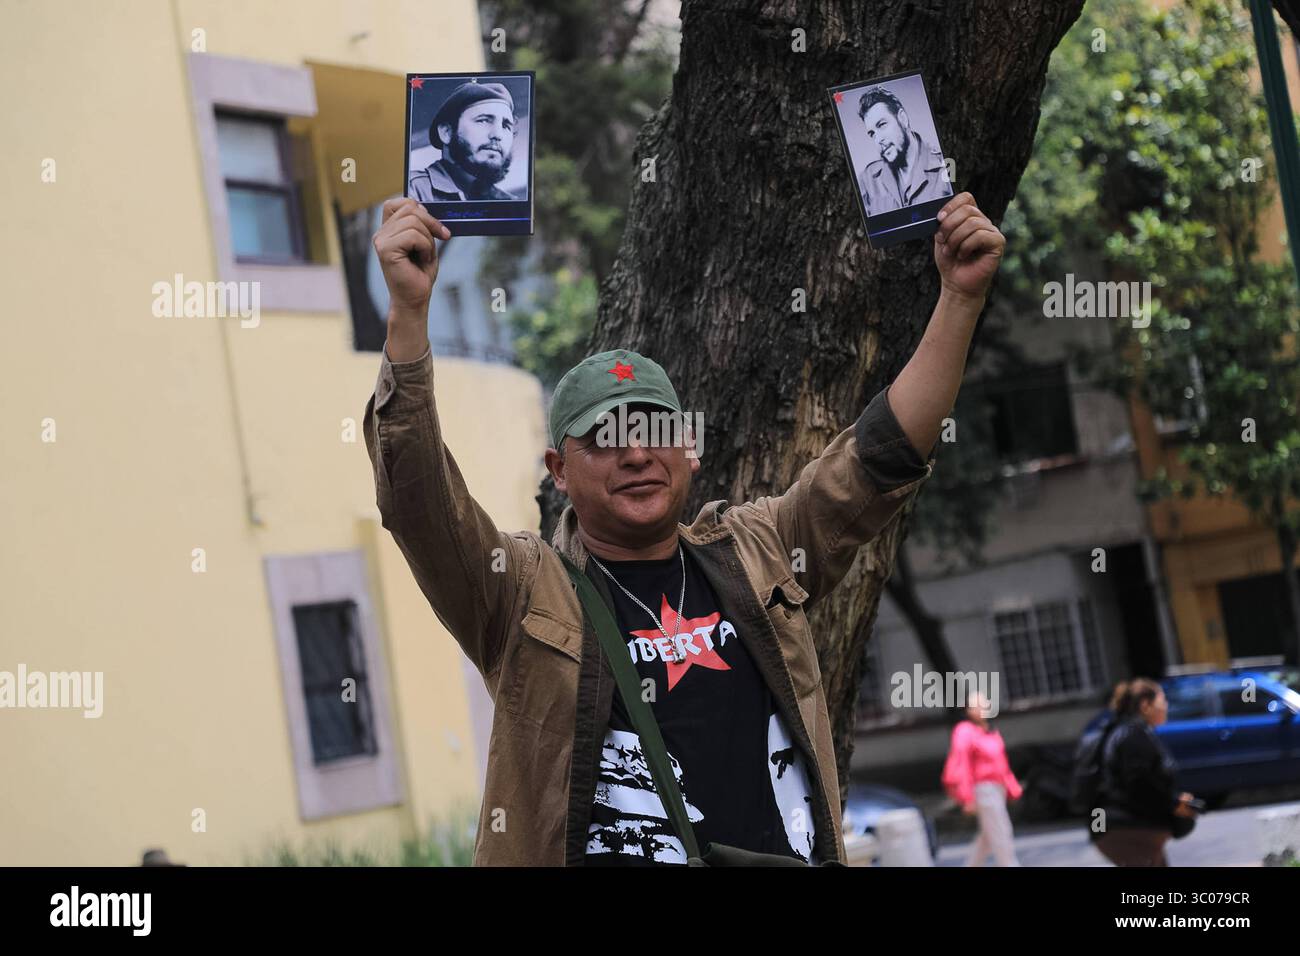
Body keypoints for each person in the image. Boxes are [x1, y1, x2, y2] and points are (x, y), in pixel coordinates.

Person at [364, 191, 1005, 865]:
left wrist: (960, 300)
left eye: (653, 429)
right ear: (559, 469)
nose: (636, 452)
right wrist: (409, 313)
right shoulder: (519, 594)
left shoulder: (759, 551)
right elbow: (419, 504)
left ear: (688, 449)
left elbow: (880, 456)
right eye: (606, 437)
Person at [1091, 678, 1198, 866]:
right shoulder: (1133, 736)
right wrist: (1175, 803)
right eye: (1162, 701)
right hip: (1130, 829)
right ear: (1145, 705)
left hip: (1127, 827)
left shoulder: (1129, 731)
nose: (1166, 706)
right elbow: (1140, 784)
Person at [941, 692, 1022, 866]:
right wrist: (966, 797)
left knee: (987, 837)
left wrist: (1012, 787)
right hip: (983, 790)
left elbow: (1001, 763)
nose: (985, 707)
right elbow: (961, 764)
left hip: (996, 789)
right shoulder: (964, 731)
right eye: (979, 705)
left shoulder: (989, 731)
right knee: (1001, 831)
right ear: (969, 710)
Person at [409, 80, 523, 202]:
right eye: (483, 120)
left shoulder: (510, 203)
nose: (497, 134)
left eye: (506, 126)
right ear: (446, 132)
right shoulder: (412, 190)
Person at [856, 86, 951, 215]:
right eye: (872, 133)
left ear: (902, 118)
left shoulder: (947, 165)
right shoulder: (867, 180)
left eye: (882, 125)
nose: (878, 140)